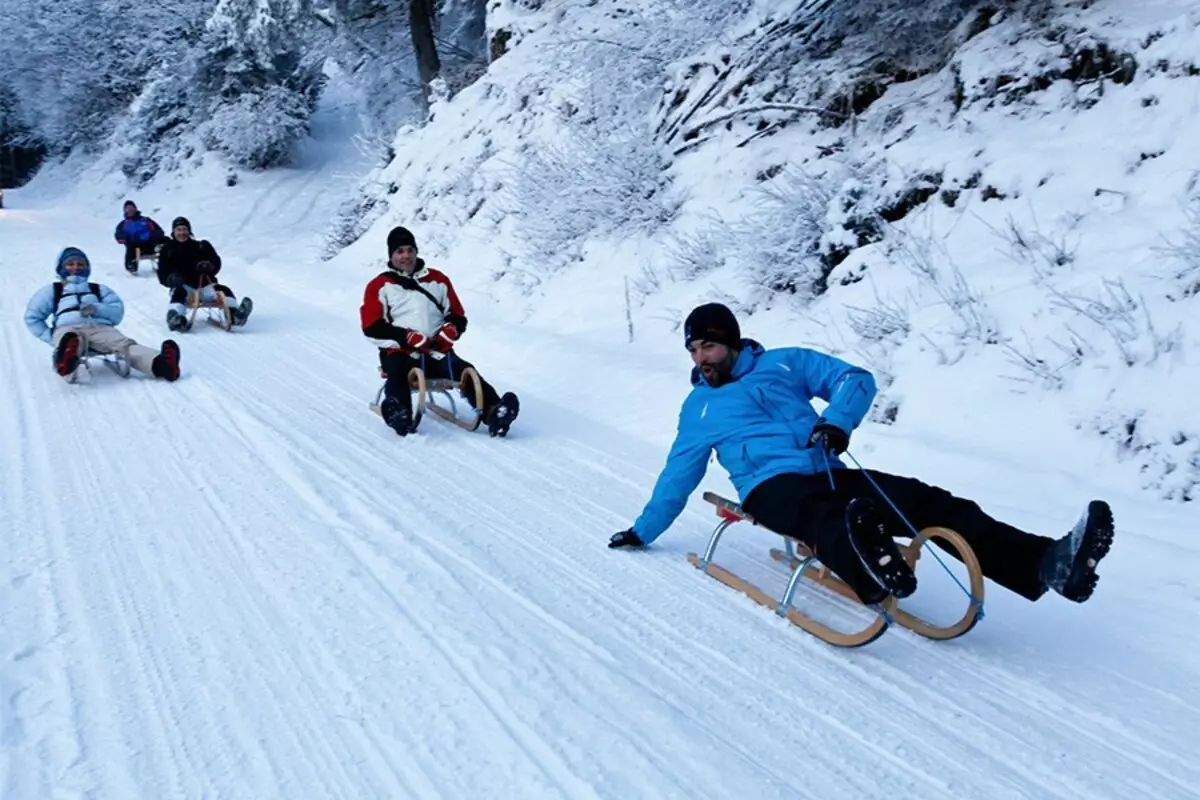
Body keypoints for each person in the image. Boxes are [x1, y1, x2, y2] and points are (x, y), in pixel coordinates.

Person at [607, 302, 1115, 607]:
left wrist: (835, 422)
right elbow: (678, 474)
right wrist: (643, 530)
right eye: (693, 350)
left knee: (925, 500)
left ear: (731, 342)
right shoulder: (698, 408)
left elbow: (854, 380)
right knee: (825, 515)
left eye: (708, 347)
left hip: (825, 464)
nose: (701, 359)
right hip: (769, 487)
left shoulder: (786, 364)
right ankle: (872, 571)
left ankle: (1046, 563)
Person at [360, 225, 520, 438]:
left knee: (465, 371)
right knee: (398, 375)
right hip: (400, 352)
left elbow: (457, 314)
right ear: (391, 255)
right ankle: (400, 413)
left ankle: (495, 412)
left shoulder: (438, 280)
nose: (406, 255)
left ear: (416, 251)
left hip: (436, 350)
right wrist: (404, 336)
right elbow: (371, 326)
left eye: (410, 249)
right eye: (400, 251)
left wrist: (451, 329)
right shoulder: (380, 285)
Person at [24, 247, 181, 382]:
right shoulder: (53, 290)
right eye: (70, 264)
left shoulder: (98, 289)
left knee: (124, 345)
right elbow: (33, 317)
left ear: (87, 267)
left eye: (80, 264)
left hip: (99, 327)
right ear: (61, 268)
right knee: (70, 340)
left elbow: (117, 312)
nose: (76, 267)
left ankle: (162, 365)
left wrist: (97, 308)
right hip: (67, 328)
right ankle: (65, 359)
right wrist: (50, 336)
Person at [157, 216, 253, 331]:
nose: (182, 233)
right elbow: (162, 272)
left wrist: (210, 266)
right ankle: (175, 318)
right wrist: (170, 278)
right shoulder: (167, 250)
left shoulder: (201, 246)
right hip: (183, 286)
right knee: (178, 293)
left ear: (189, 231)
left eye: (184, 229)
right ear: (174, 232)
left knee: (223, 290)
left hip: (204, 285)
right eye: (179, 230)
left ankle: (235, 315)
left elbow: (216, 262)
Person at [113, 200, 167, 273]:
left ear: (135, 209)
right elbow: (118, 237)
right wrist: (128, 238)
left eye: (131, 208)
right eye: (127, 209)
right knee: (132, 244)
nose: (130, 210)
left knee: (166, 240)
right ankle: (131, 266)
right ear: (125, 211)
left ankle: (172, 262)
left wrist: (152, 236)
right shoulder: (123, 224)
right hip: (137, 249)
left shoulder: (146, 220)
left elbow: (160, 231)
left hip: (151, 244)